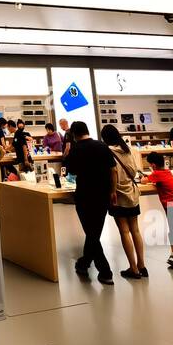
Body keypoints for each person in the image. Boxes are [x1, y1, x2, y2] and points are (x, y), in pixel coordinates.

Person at [62, 121, 118, 284]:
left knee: (92, 234)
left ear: (74, 134)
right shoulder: (102, 146)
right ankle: (84, 263)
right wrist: (113, 191)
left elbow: (71, 171)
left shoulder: (76, 149)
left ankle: (106, 271)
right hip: (103, 196)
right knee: (94, 232)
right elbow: (113, 170)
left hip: (84, 195)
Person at [101, 125, 146, 279]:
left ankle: (133, 268)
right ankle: (142, 265)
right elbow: (134, 171)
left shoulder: (107, 151)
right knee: (136, 230)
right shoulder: (127, 149)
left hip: (118, 195)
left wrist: (112, 190)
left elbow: (112, 172)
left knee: (124, 231)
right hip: (132, 193)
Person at [146, 152, 173, 269]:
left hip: (171, 207)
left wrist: (145, 177)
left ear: (153, 165)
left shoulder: (157, 174)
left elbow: (145, 181)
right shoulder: (167, 172)